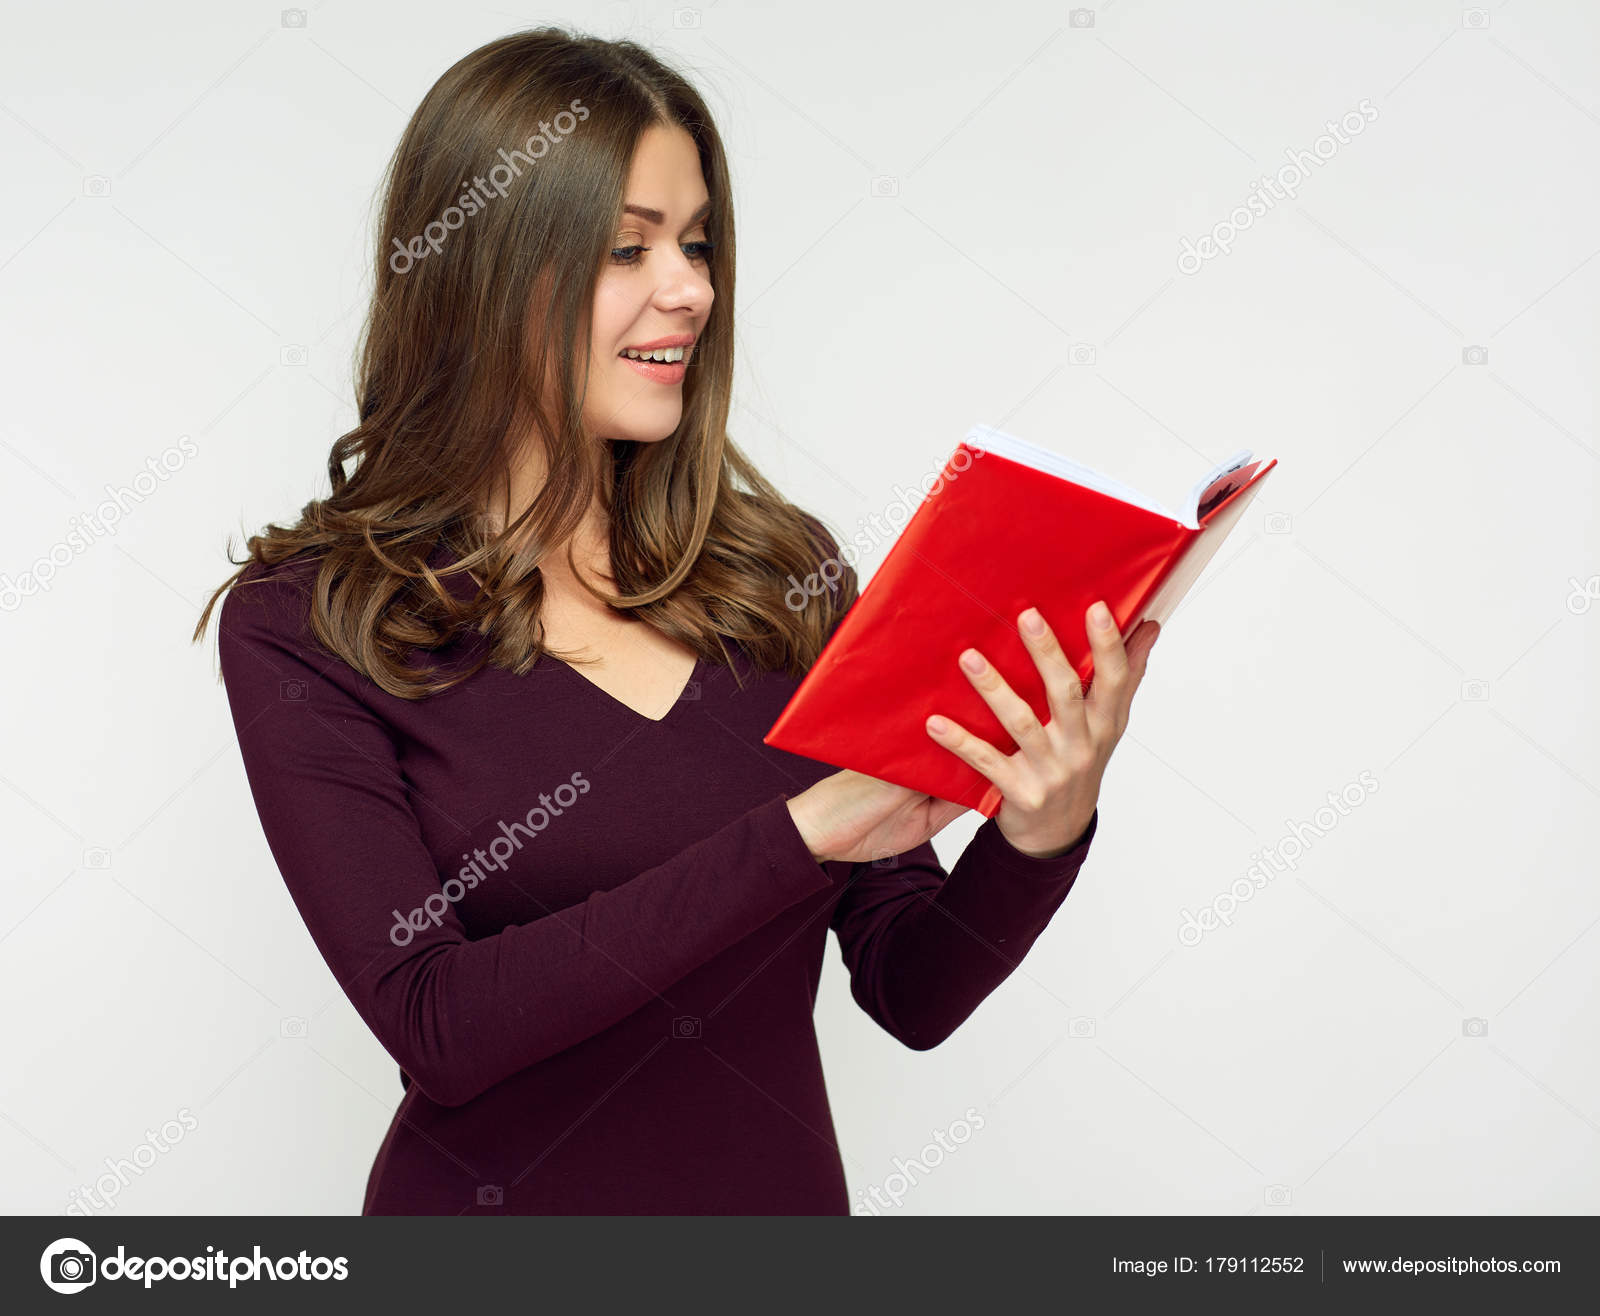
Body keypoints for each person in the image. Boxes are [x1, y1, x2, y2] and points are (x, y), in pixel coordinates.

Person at [193, 27, 1158, 1215]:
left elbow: (910, 988)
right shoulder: (315, 622)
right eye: (627, 246)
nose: (691, 287)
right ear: (483, 269)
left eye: (696, 242)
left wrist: (1040, 832)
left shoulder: (778, 579)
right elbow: (437, 1022)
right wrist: (799, 831)